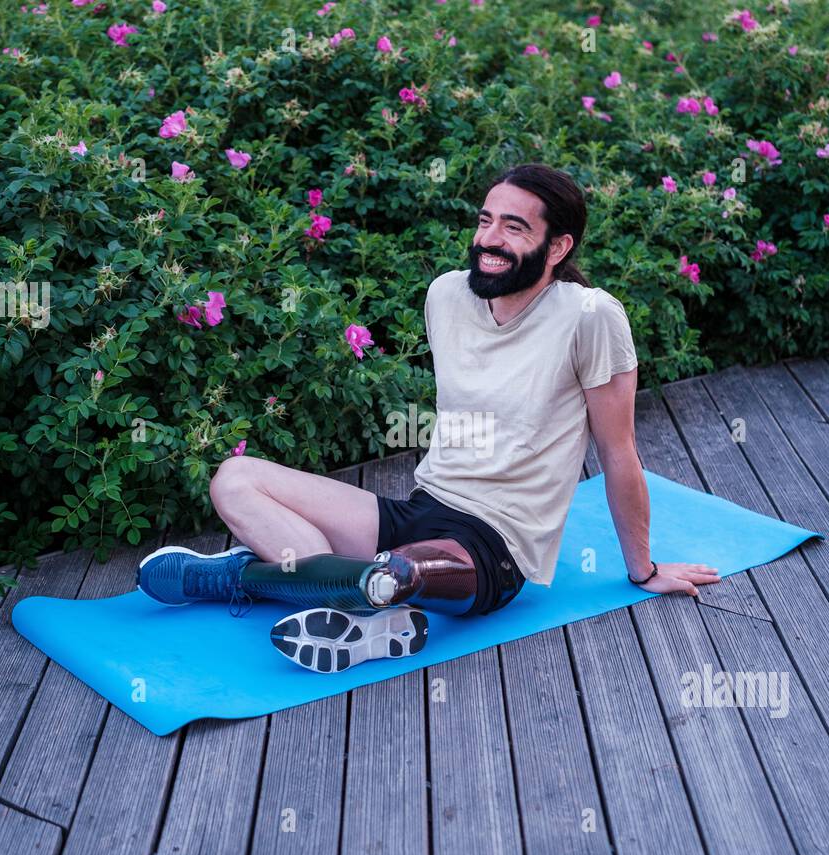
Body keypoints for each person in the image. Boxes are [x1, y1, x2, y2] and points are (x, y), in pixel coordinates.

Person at [137, 163, 721, 673]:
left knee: (400, 572)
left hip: (495, 544)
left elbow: (619, 452)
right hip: (421, 507)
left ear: (559, 247)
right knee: (235, 480)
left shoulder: (591, 317)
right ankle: (350, 603)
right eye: (486, 220)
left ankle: (248, 580)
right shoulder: (447, 295)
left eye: (514, 227)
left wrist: (642, 571)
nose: (489, 238)